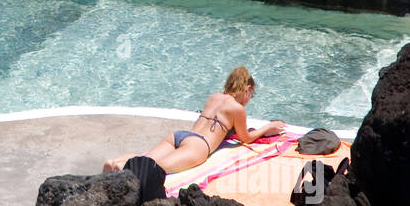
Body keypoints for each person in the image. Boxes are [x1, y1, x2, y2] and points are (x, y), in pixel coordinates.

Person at [103, 67, 286, 174]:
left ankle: (113, 163)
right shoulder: (237, 109)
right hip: (198, 146)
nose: (248, 100)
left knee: (144, 159)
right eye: (251, 95)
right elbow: (245, 137)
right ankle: (119, 166)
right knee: (154, 169)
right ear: (246, 89)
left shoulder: (213, 98)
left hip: (180, 136)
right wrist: (268, 126)